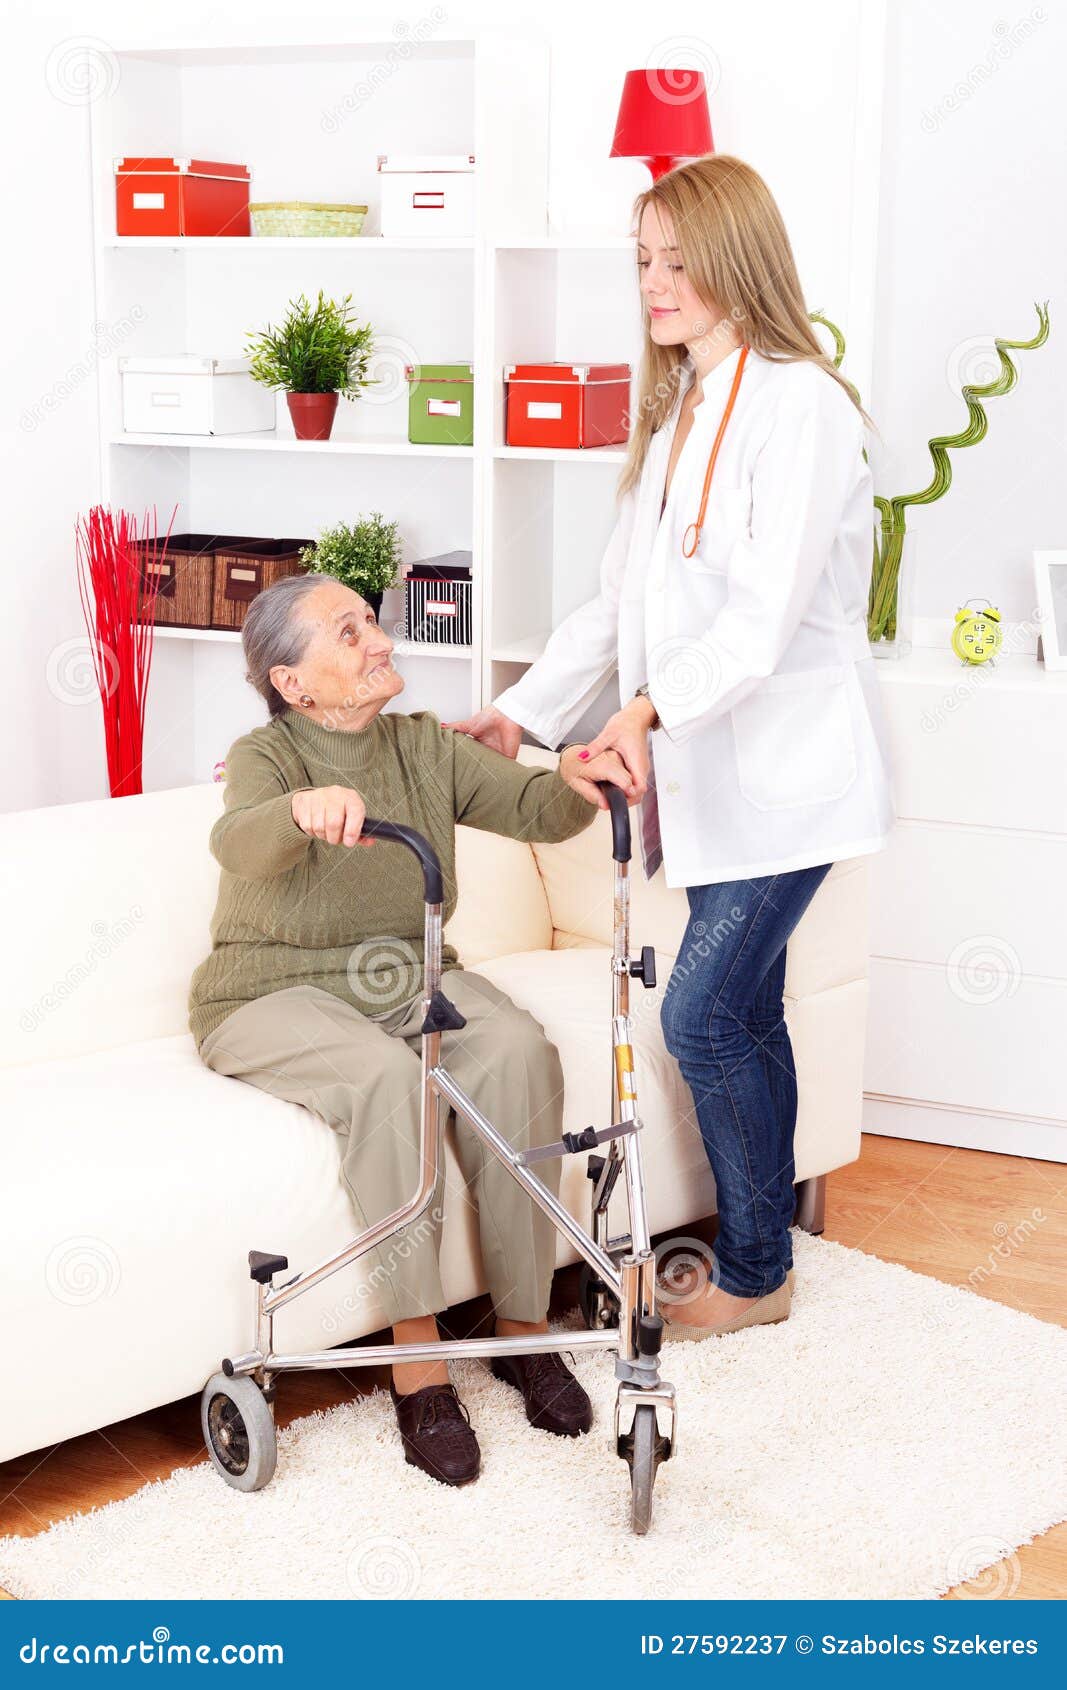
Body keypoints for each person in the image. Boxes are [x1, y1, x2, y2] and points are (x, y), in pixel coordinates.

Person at [447, 155, 895, 1339]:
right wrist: (524, 713)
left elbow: (756, 620)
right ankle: (770, 1248)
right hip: (714, 783)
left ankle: (748, 1273)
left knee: (698, 1014)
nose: (653, 281)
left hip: (792, 777)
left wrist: (642, 713)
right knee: (742, 1012)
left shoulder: (799, 404)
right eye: (641, 259)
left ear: (735, 258)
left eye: (676, 258)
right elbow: (616, 607)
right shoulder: (680, 409)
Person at [189, 571, 628, 1483]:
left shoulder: (424, 748)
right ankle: (418, 1361)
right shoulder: (268, 755)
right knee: (389, 1085)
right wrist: (294, 813)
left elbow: (527, 807)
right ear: (292, 683)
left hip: (406, 977)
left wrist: (575, 778)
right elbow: (238, 841)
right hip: (272, 990)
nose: (378, 640)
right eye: (347, 632)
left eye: (370, 621)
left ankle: (520, 1331)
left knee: (515, 1051)